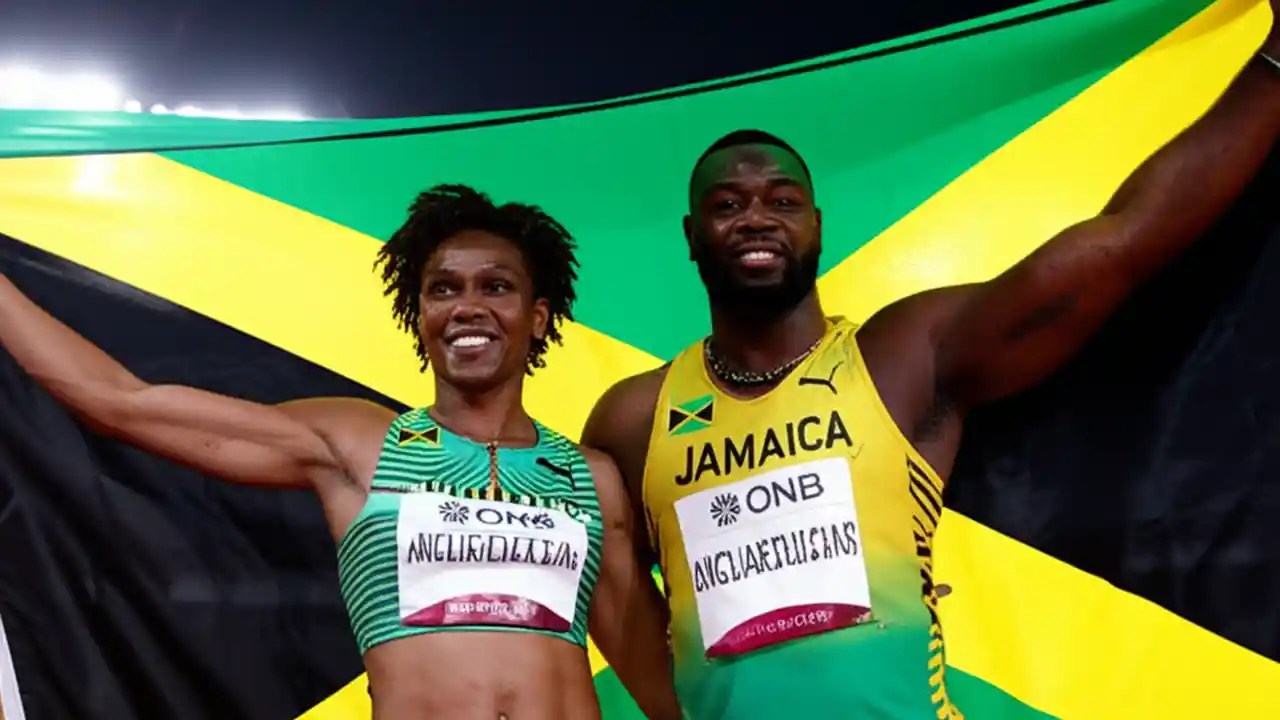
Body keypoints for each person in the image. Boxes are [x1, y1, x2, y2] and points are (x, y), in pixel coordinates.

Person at [582, 11, 1280, 720]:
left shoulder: (902, 359)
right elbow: (609, 581)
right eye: (727, 205)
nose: (757, 217)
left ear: (817, 226)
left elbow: (1121, 245)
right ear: (691, 236)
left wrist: (1274, 67)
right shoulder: (634, 418)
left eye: (783, 201)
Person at [0, 184, 681, 720]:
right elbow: (118, 401)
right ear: (419, 316)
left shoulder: (591, 481)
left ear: (538, 316)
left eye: (495, 286)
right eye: (444, 288)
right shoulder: (360, 442)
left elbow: (658, 682)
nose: (467, 306)